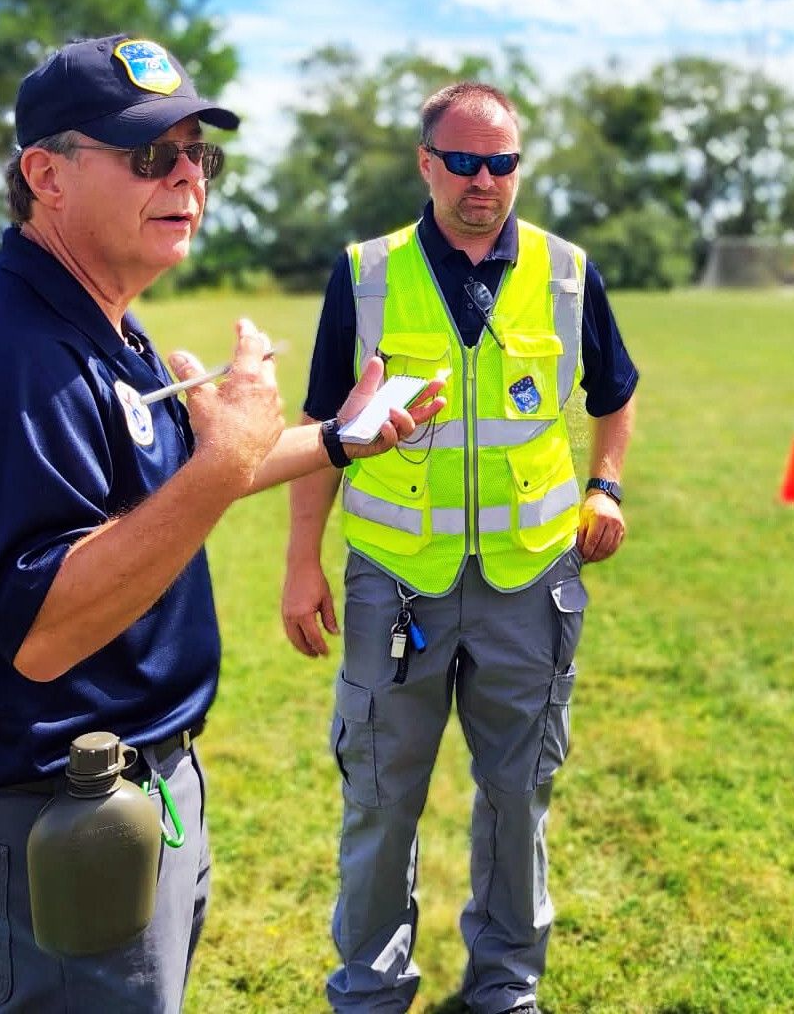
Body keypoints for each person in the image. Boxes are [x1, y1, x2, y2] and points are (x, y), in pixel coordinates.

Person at [0, 34, 440, 1013]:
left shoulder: (99, 317)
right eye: (149, 155)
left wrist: (340, 443)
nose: (188, 175)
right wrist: (222, 454)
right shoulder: (14, 352)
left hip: (136, 785)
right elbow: (44, 630)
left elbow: (167, 484)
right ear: (46, 175)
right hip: (61, 814)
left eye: (199, 154)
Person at [282, 81, 638, 1014]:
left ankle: (505, 984)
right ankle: (368, 988)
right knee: (380, 797)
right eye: (466, 162)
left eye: (503, 163)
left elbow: (615, 391)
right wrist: (300, 562)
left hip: (530, 584)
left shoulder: (567, 272)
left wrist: (605, 483)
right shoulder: (366, 274)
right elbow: (322, 424)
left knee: (518, 796)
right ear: (427, 163)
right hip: (394, 585)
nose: (486, 181)